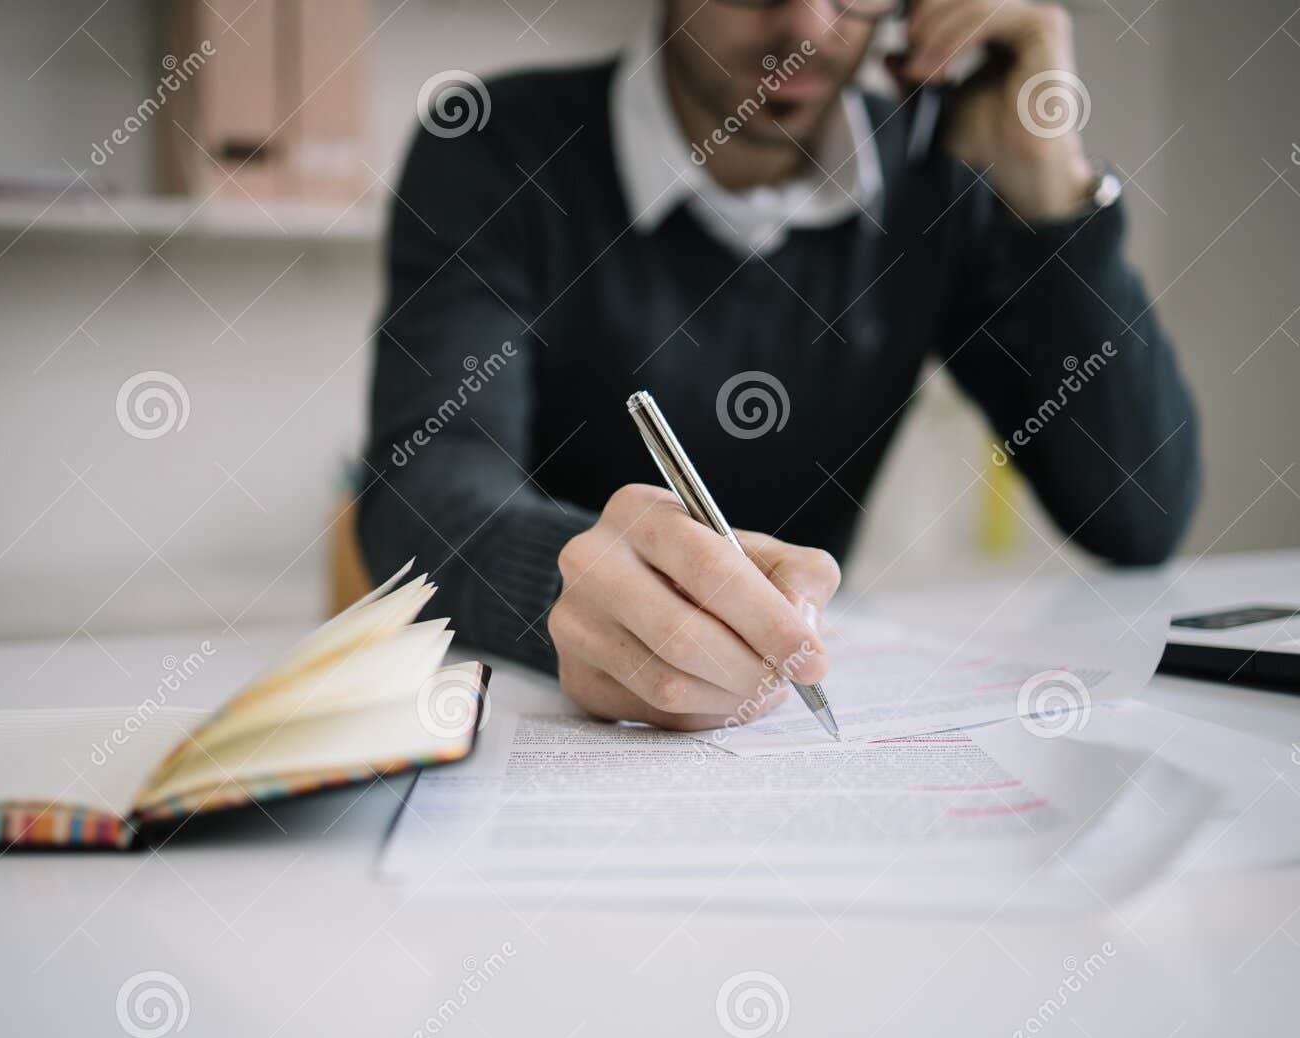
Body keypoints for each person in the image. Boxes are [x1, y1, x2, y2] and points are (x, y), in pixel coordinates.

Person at [360, 0, 1199, 731]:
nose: (808, 25)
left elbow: (1137, 513)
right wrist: (568, 588)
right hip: (527, 722)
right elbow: (422, 490)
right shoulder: (494, 148)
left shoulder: (935, 168)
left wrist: (1052, 188)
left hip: (788, 722)